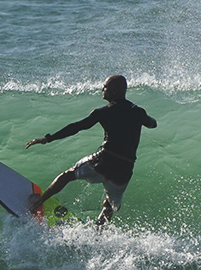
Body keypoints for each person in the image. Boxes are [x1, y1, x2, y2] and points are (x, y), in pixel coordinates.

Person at [25, 74, 157, 226]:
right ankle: (99, 233)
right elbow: (152, 124)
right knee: (109, 205)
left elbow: (77, 127)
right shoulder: (138, 111)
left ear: (114, 90)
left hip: (105, 160)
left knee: (68, 174)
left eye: (105, 86)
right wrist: (146, 119)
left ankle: (38, 202)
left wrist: (48, 139)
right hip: (125, 168)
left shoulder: (103, 112)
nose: (102, 89)